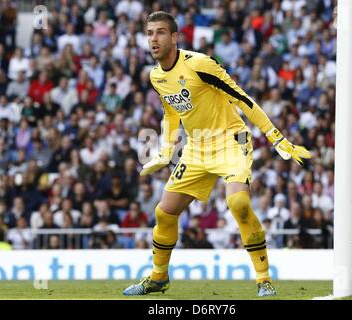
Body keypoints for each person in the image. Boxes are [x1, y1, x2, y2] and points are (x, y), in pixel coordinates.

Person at [123, 11, 311, 297]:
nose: (153, 39)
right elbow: (171, 112)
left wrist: (276, 137)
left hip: (230, 141)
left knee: (238, 203)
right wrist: (165, 151)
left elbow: (242, 97)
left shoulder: (199, 64)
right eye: (149, 33)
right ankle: (158, 277)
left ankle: (263, 280)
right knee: (164, 211)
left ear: (174, 37)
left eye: (160, 32)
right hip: (196, 148)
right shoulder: (156, 76)